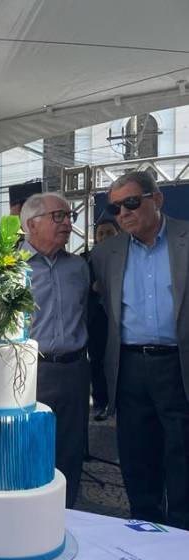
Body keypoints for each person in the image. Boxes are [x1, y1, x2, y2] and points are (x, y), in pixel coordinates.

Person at [91, 170, 189, 529]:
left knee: (182, 455)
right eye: (116, 208)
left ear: (157, 199)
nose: (124, 214)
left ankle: (181, 538)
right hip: (129, 367)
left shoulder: (185, 237)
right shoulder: (105, 254)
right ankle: (144, 530)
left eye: (131, 203)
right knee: (136, 455)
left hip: (178, 364)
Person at [21, 192, 90, 508]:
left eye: (69, 216)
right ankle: (30, 516)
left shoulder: (79, 267)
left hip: (75, 370)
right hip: (32, 371)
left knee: (71, 450)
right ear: (31, 224)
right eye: (58, 216)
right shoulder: (9, 269)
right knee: (31, 449)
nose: (67, 223)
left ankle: (67, 515)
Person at [85, 214, 119, 421]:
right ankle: (100, 402)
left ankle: (119, 401)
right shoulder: (87, 258)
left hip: (119, 319)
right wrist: (93, 288)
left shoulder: (127, 255)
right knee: (97, 360)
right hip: (97, 318)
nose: (105, 236)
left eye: (109, 232)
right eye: (101, 233)